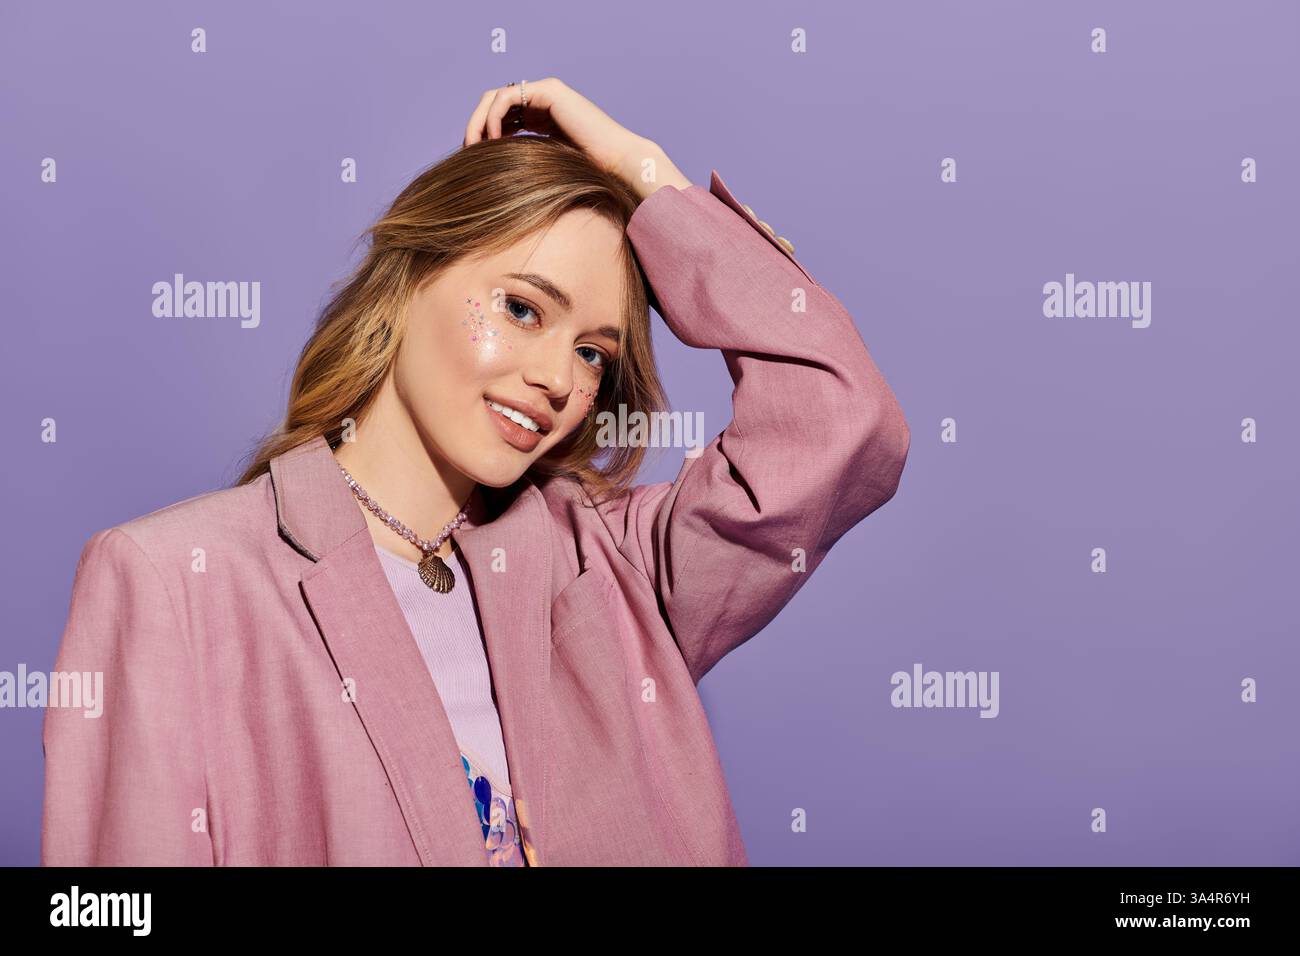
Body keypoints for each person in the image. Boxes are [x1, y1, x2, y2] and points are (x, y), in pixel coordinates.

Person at [41, 77, 910, 866]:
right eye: (522, 308)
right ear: (409, 277)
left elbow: (844, 421)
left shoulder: (615, 570)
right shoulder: (174, 583)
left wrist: (649, 178)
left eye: (594, 355)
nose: (559, 380)